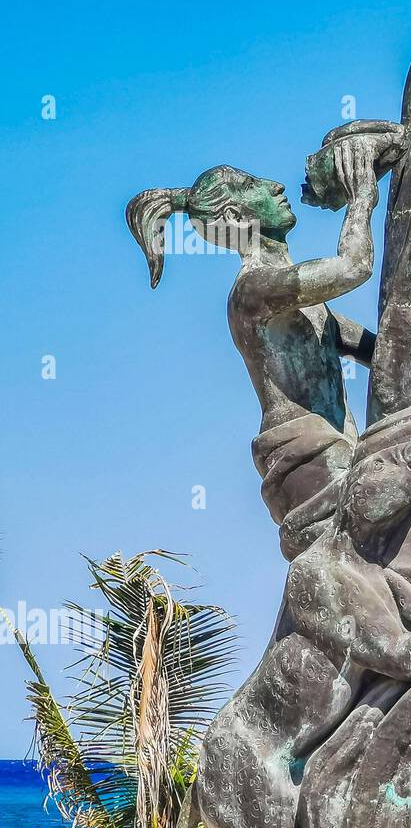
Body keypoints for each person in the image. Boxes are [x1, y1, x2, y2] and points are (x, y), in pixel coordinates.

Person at [125, 138, 381, 557]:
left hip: (342, 448)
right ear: (234, 215)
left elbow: (381, 353)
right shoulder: (253, 290)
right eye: (252, 184)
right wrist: (362, 196)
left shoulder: (309, 306)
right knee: (355, 569)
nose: (275, 185)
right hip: (308, 457)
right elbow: (355, 267)